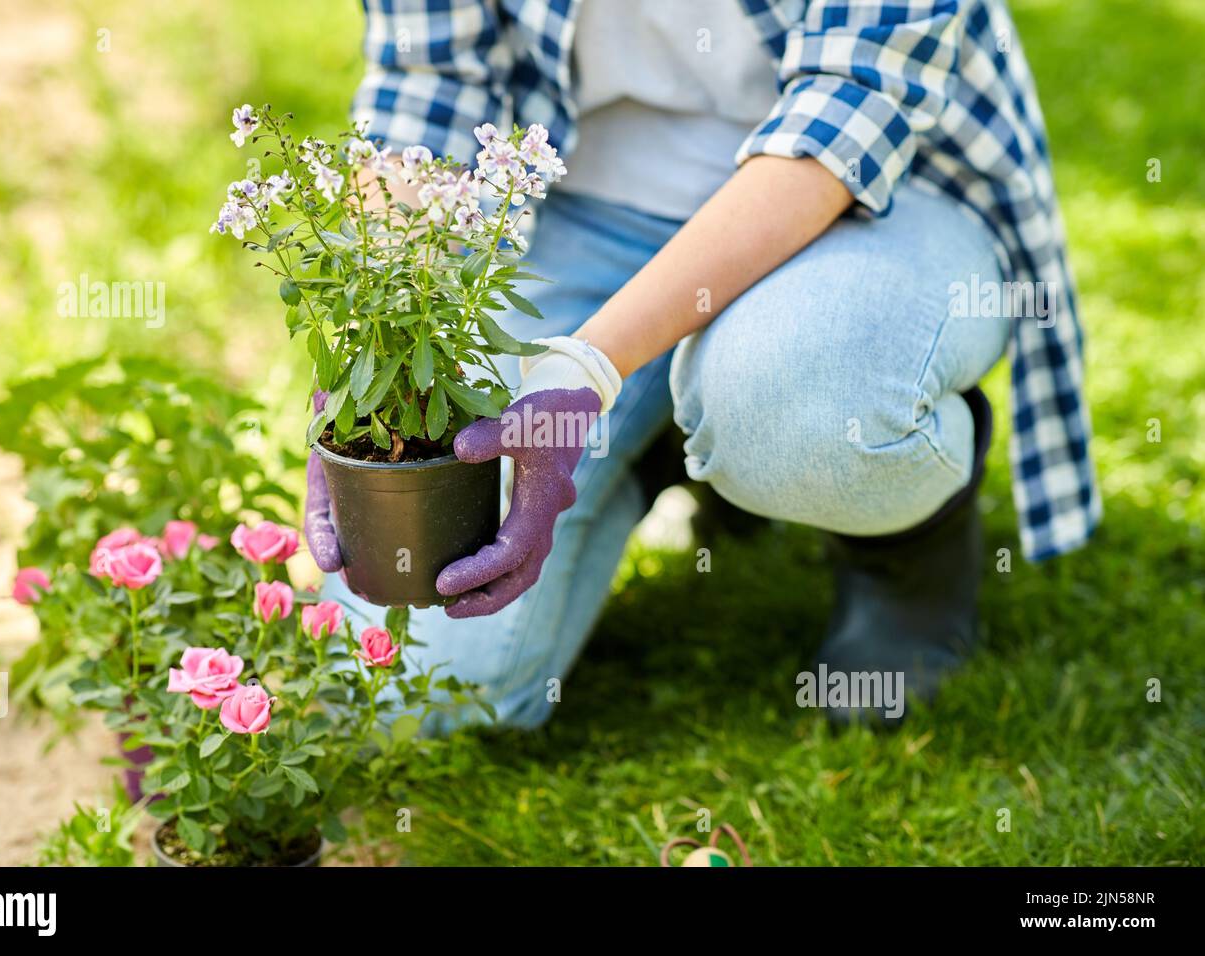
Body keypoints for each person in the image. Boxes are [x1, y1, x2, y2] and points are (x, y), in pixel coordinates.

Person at [306, 0, 1100, 725]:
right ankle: (661, 439)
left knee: (812, 403)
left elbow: (846, 112)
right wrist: (376, 338)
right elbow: (427, 83)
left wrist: (587, 368)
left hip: (871, 198)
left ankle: (906, 543)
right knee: (428, 697)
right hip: (582, 203)